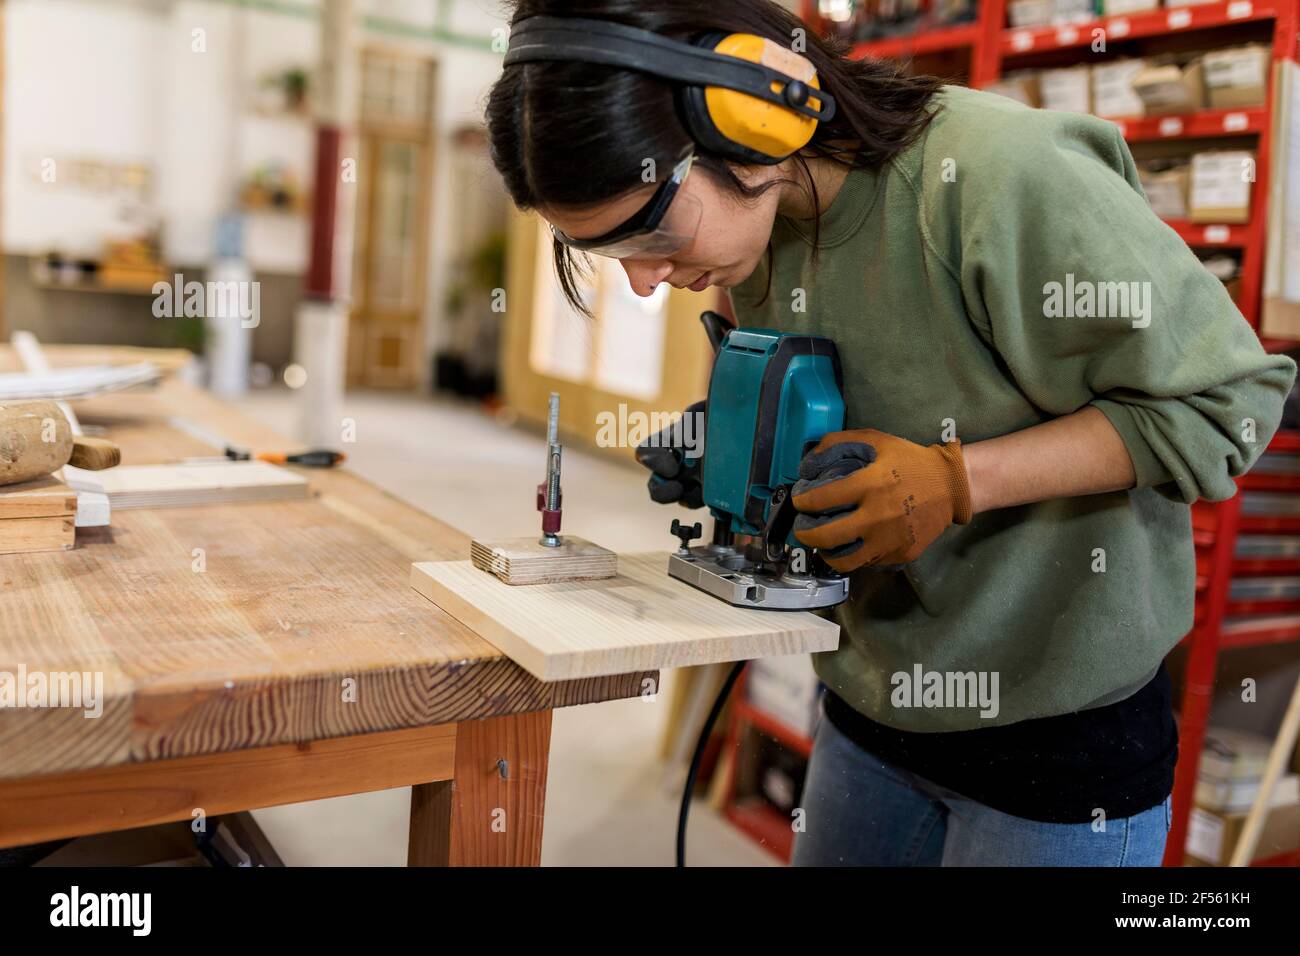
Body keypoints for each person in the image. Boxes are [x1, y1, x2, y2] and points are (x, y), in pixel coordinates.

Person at [483, 0, 1296, 865]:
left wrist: (957, 481)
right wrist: (728, 439)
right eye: (611, 255)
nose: (648, 282)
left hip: (1059, 751)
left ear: (746, 115)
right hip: (869, 713)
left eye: (651, 232)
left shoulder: (997, 176)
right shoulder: (761, 227)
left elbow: (1227, 404)